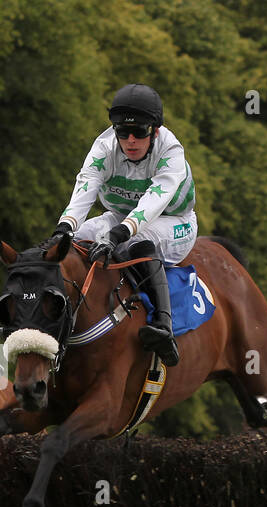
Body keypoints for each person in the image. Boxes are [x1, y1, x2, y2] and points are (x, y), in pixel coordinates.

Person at [53, 83, 197, 366]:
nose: (130, 140)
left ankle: (163, 326)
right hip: (120, 217)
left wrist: (119, 233)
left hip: (173, 221)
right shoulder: (104, 148)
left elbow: (154, 202)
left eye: (140, 132)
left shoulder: (171, 151)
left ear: (154, 131)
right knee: (74, 241)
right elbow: (85, 189)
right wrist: (63, 229)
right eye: (123, 132)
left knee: (137, 241)